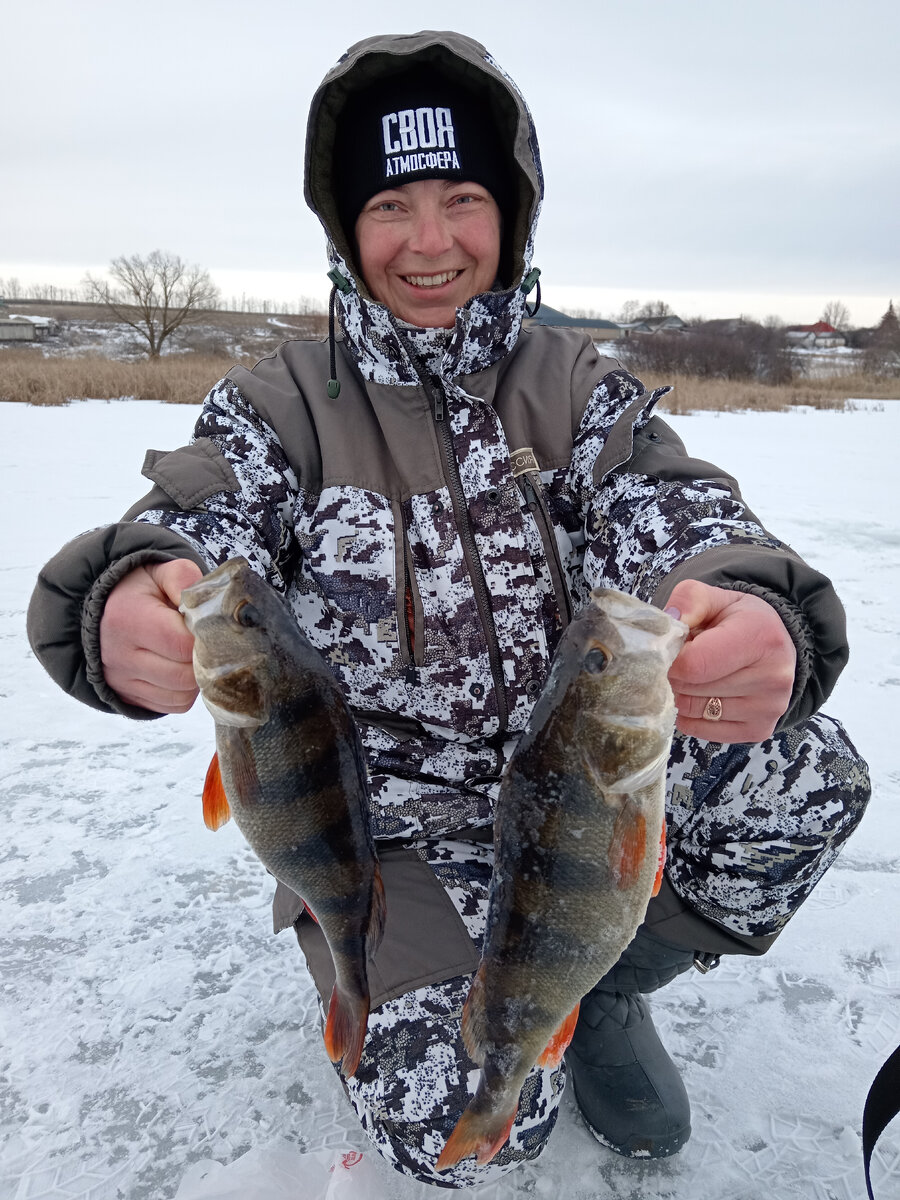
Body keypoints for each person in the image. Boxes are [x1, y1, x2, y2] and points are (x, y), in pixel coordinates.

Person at [27, 29, 870, 1189]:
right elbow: (193, 522)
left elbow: (681, 513)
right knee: (460, 1127)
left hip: (579, 777)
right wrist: (120, 596)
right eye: (391, 206)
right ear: (345, 229)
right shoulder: (278, 406)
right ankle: (396, 967)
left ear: (512, 216)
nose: (430, 242)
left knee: (807, 773)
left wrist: (749, 598)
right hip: (392, 827)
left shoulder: (580, 388)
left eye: (463, 199)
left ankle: (594, 989)